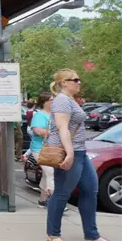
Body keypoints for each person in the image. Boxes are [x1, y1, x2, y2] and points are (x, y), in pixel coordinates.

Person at [46, 69, 106, 241]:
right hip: (70, 152)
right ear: (64, 83)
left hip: (80, 152)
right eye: (75, 80)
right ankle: (53, 234)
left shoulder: (70, 100)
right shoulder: (62, 101)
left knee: (90, 190)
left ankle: (92, 234)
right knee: (62, 193)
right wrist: (70, 153)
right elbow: (62, 128)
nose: (79, 82)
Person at [30, 92, 62, 208]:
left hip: (52, 148)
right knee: (51, 172)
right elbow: (37, 131)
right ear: (44, 102)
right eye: (51, 100)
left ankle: (42, 200)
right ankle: (55, 203)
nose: (53, 102)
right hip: (39, 149)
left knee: (46, 174)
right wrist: (55, 133)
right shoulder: (39, 115)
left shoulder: (54, 115)